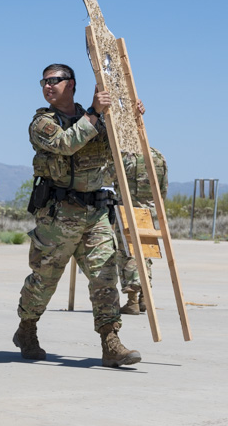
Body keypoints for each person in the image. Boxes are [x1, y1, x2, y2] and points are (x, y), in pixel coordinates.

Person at [13, 64, 141, 368]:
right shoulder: (42, 123)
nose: (47, 86)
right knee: (44, 279)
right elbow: (65, 144)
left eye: (53, 81)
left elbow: (123, 148)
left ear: (71, 84)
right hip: (58, 215)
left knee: (105, 277)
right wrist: (95, 114)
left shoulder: (98, 117)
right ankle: (27, 328)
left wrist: (129, 118)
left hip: (95, 212)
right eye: (43, 82)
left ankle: (111, 341)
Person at [116, 147, 168, 314]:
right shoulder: (158, 156)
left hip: (127, 210)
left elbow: (105, 177)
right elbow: (163, 189)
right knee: (146, 252)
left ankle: (132, 301)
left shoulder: (122, 156)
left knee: (128, 253)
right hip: (149, 211)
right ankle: (145, 297)